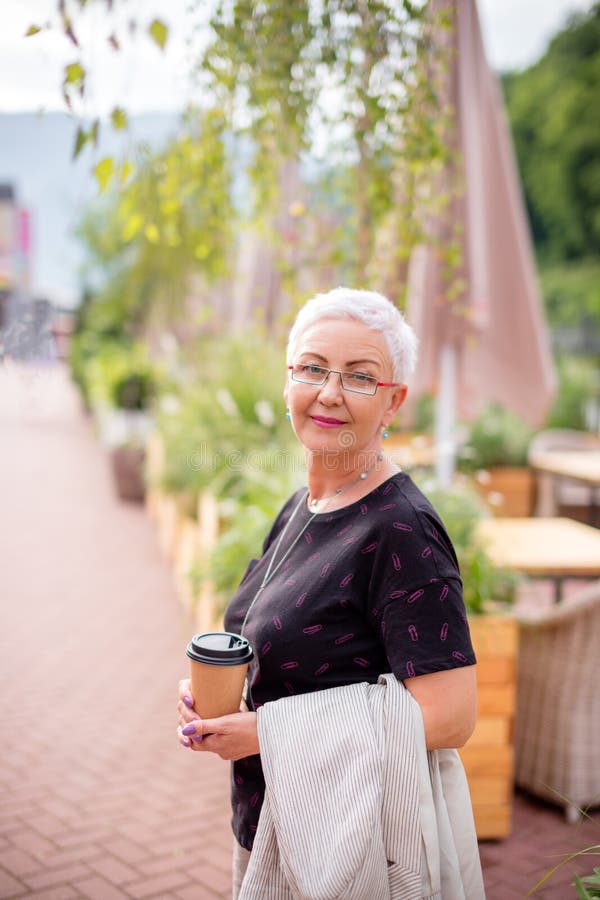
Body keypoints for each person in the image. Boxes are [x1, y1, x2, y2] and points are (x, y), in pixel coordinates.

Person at [177, 287, 480, 897]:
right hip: (278, 822)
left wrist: (265, 732)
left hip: (352, 844)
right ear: (288, 380)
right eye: (313, 368)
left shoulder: (402, 530)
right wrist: (222, 696)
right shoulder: (305, 504)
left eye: (360, 378)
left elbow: (451, 716)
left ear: (393, 402)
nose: (330, 393)